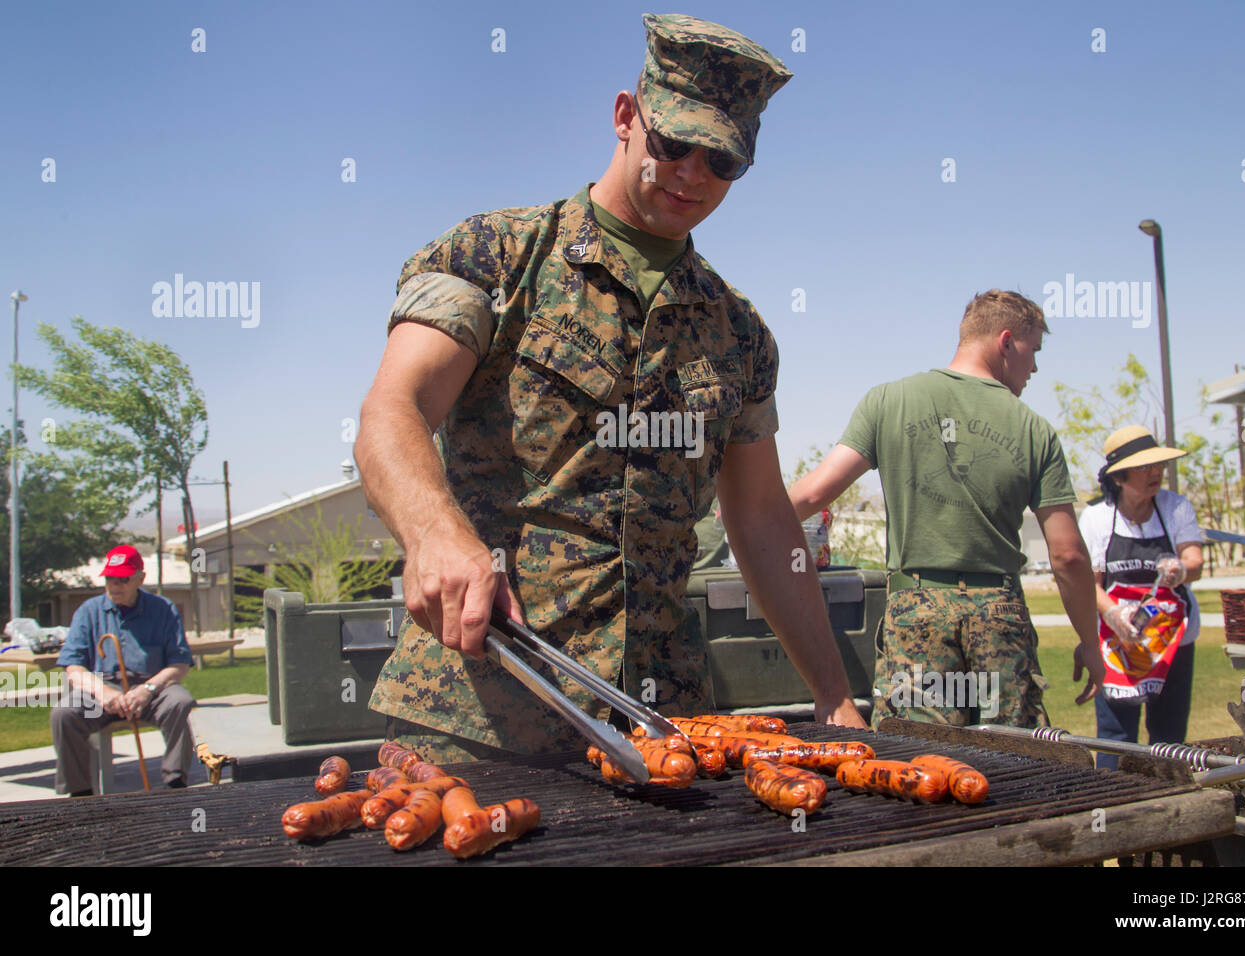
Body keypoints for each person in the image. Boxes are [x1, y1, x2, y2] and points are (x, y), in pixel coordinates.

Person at [355, 13, 866, 762]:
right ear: (627, 117)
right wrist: (434, 533)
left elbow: (760, 520)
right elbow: (392, 410)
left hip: (663, 723)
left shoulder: (742, 333)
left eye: (722, 160)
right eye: (674, 144)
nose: (692, 173)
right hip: (481, 709)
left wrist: (834, 693)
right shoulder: (495, 256)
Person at [787, 290, 1106, 727]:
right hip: (1001, 615)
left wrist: (744, 513)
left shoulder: (888, 401)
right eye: (1034, 352)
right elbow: (1068, 555)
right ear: (1006, 341)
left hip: (915, 612)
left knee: (918, 766)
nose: (1034, 367)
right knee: (1013, 765)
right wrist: (1090, 640)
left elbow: (811, 494)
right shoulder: (1036, 431)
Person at [1078, 426, 1203, 769]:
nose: (1156, 473)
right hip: (1119, 644)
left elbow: (1195, 562)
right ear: (1118, 477)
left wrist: (1180, 569)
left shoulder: (1175, 507)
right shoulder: (1096, 518)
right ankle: (1112, 807)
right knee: (1116, 737)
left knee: (1170, 736)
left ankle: (1169, 805)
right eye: (1145, 467)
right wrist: (1115, 614)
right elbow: (1090, 584)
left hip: (1172, 642)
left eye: (1158, 466)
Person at [51, 545, 195, 795]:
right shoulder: (88, 611)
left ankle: (175, 784)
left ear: (141, 578)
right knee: (64, 714)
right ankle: (79, 794)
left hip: (152, 689)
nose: (115, 585)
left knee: (181, 703)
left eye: (123, 579)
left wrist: (147, 690)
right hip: (101, 689)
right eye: (110, 579)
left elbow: (180, 665)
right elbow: (73, 668)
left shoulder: (164, 609)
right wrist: (103, 692)